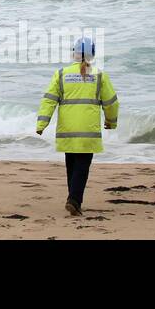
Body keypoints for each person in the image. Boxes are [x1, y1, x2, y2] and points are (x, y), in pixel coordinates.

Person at [35, 37, 118, 215]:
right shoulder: (99, 75)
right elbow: (111, 103)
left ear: (74, 53)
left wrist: (42, 123)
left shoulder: (61, 74)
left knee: (71, 165)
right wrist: (111, 121)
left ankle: (73, 198)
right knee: (82, 167)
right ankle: (74, 200)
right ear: (92, 55)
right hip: (88, 132)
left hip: (67, 131)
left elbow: (49, 101)